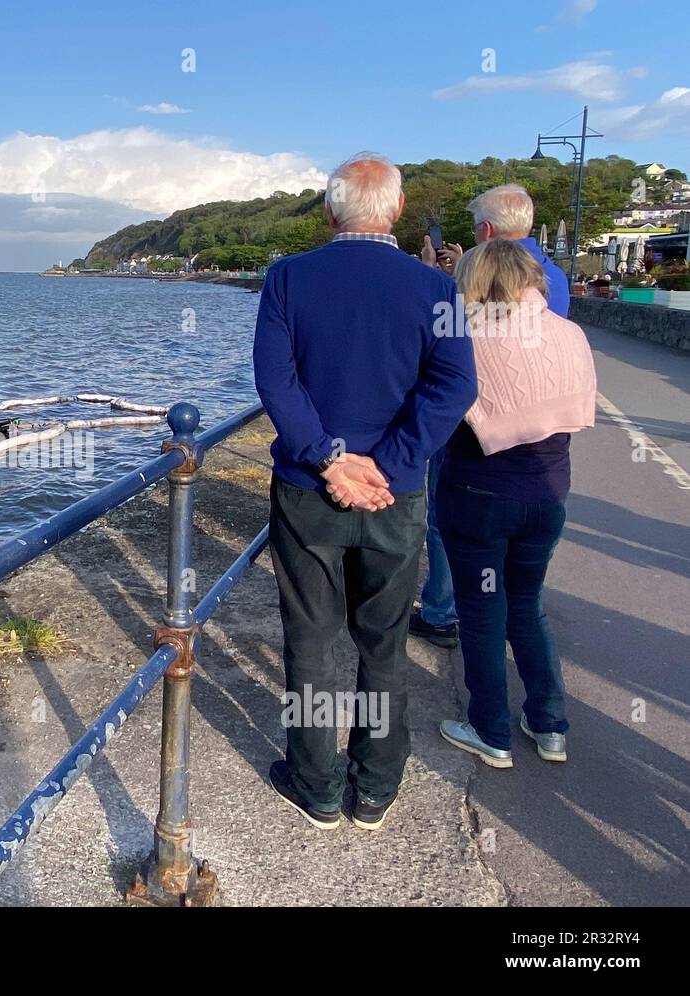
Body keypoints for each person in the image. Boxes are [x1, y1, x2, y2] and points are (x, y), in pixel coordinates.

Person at [253, 152, 477, 831]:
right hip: (396, 495)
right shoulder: (437, 289)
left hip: (305, 490)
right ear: (399, 212)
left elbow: (275, 379)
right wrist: (395, 462)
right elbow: (456, 385)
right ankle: (374, 789)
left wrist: (329, 458)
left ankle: (318, 786)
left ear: (330, 211)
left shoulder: (289, 278)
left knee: (312, 642)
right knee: (382, 643)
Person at [437, 239, 596, 768]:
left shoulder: (469, 337)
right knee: (527, 605)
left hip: (478, 495)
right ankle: (550, 725)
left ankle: (490, 730)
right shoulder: (568, 333)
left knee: (482, 611)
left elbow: (441, 413)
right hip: (547, 495)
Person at [413, 184, 571, 651]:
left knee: (445, 522)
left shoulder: (477, 282)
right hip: (544, 442)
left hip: (477, 430)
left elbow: (452, 344)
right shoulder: (554, 276)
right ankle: (544, 710)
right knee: (524, 590)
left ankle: (443, 612)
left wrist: (433, 278)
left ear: (484, 228)